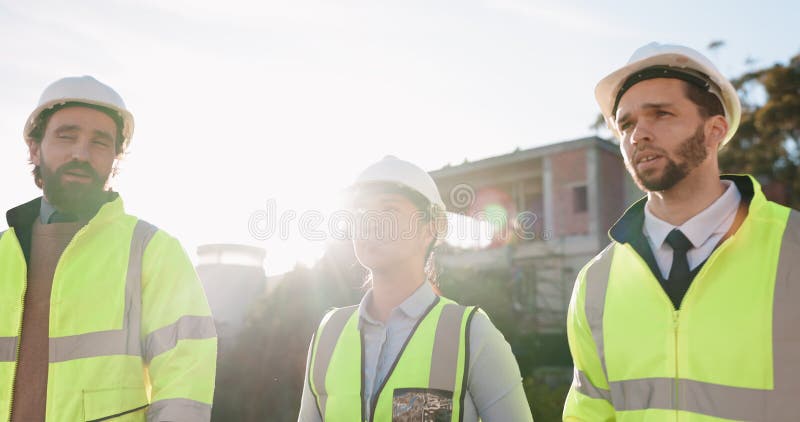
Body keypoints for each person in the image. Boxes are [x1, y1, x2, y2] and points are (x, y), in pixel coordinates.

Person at [563, 42, 800, 421]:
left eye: (661, 114)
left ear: (714, 131)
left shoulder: (794, 248)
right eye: (626, 124)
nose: (638, 134)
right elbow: (588, 412)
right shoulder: (596, 282)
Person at [0, 76, 218, 421]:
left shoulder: (153, 252)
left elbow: (184, 387)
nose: (81, 153)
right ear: (33, 147)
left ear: (116, 157)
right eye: (66, 136)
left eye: (100, 142)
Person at [297, 156, 534, 421]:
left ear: (429, 229)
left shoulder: (472, 335)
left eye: (389, 210)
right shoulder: (328, 334)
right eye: (361, 212)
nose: (372, 222)